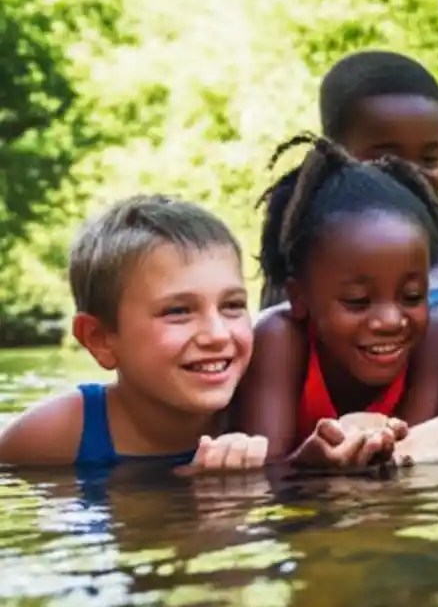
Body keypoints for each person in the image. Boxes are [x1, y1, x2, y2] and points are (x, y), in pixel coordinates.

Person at [258, 50, 438, 372]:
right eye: (386, 157)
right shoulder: (307, 254)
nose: (413, 173)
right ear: (334, 154)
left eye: (430, 158)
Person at [0, 196, 266, 470]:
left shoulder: (272, 411)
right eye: (177, 311)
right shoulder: (51, 437)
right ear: (99, 339)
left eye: (233, 305)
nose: (218, 335)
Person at [236, 136, 438, 463]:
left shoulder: (431, 345)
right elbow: (262, 477)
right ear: (300, 297)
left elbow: (416, 463)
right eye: (357, 301)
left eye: (412, 297)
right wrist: (306, 466)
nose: (391, 320)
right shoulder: (279, 341)